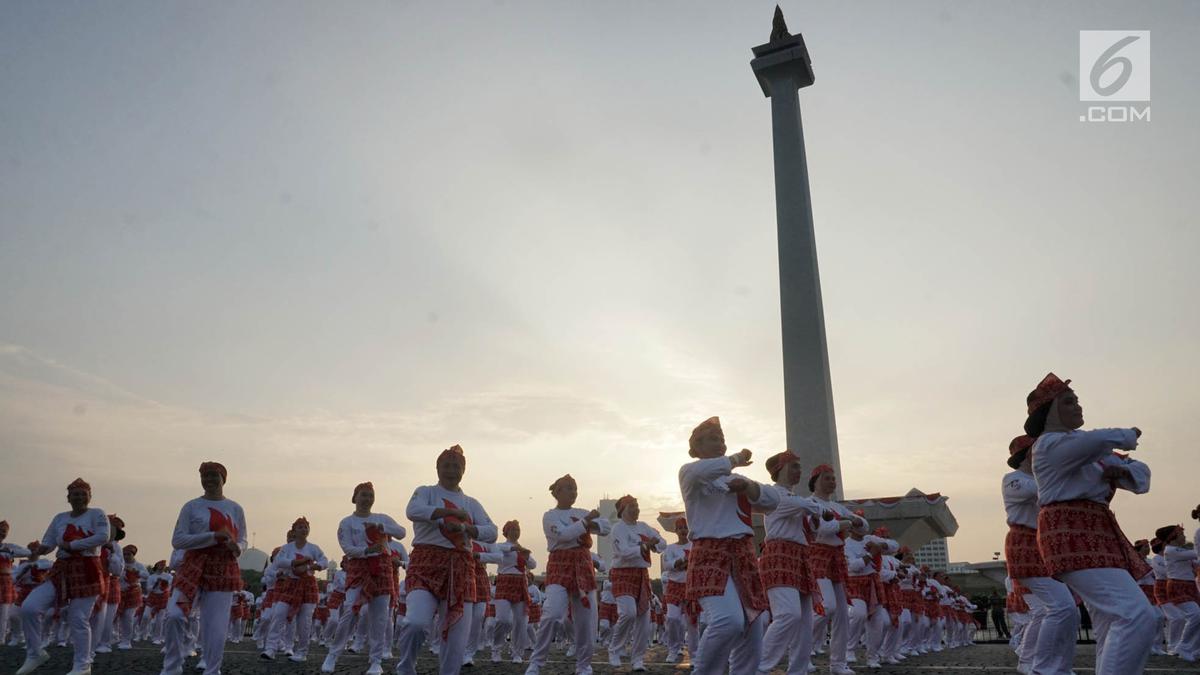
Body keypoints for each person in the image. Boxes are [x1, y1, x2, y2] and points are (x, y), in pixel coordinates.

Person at [1026, 373, 1157, 675]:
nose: (1078, 406)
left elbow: (1140, 474)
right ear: (1050, 412)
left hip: (1099, 530)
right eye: (1068, 402)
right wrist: (1126, 435)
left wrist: (1123, 472)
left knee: (1114, 620)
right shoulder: (1049, 444)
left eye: (1077, 400)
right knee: (1135, 615)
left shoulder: (1088, 449)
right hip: (1069, 529)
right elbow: (1099, 442)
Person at [679, 416, 780, 675]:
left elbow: (771, 501)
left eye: (722, 439)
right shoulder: (691, 473)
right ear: (696, 447)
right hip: (710, 554)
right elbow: (706, 470)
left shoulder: (737, 482)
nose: (720, 443)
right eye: (713, 439)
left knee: (753, 624)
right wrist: (735, 459)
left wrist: (746, 485)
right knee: (728, 621)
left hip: (744, 556)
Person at [395, 445, 498, 675]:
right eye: (446, 465)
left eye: (457, 466)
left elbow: (492, 531)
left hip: (461, 568)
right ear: (437, 468)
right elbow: (413, 510)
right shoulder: (425, 492)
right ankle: (405, 668)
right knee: (415, 623)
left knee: (456, 639)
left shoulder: (471, 503)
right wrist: (446, 515)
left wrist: (466, 527)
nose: (451, 470)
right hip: (425, 564)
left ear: (464, 470)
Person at [160, 462, 248, 675]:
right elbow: (178, 539)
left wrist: (237, 547)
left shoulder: (235, 508)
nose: (209, 480)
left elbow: (243, 539)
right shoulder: (191, 506)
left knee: (215, 627)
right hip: (193, 568)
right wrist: (211, 537)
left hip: (223, 569)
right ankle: (172, 667)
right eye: (205, 476)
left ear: (223, 479)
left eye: (214, 475)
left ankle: (212, 670)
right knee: (175, 614)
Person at [1001, 433, 1077, 675]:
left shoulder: (1041, 478)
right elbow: (1041, 491)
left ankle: (1029, 662)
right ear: (1028, 455)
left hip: (1043, 544)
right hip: (1024, 543)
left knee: (1049, 610)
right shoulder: (1013, 479)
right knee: (1061, 608)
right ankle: (1044, 667)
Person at [16, 479, 109, 675]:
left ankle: (83, 665)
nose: (79, 497)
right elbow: (49, 542)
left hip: (87, 568)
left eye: (84, 493)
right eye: (75, 494)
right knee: (29, 608)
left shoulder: (97, 514)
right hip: (62, 568)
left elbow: (103, 537)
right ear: (68, 498)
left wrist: (72, 545)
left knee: (78, 618)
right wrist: (39, 550)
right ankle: (34, 653)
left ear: (90, 496)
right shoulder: (60, 518)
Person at [525, 474, 611, 675]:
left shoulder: (580, 512)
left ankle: (584, 665)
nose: (574, 491)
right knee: (553, 614)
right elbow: (563, 535)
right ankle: (536, 662)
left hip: (583, 565)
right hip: (559, 565)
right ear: (557, 492)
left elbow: (606, 527)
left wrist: (586, 522)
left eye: (575, 488)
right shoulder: (550, 516)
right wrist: (586, 522)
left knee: (586, 620)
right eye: (569, 488)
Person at [321, 482, 407, 675]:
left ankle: (376, 661)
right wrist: (367, 550)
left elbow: (402, 532)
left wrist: (382, 527)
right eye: (363, 495)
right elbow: (347, 549)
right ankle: (333, 654)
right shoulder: (346, 522)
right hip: (359, 568)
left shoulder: (381, 518)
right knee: (350, 611)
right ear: (355, 498)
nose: (367, 499)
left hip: (382, 569)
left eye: (370, 495)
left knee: (380, 616)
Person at [756, 450, 824, 675]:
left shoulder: (794, 500)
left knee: (804, 621)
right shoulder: (776, 495)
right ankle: (759, 667)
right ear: (779, 470)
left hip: (800, 556)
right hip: (779, 555)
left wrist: (815, 520)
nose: (799, 470)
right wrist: (823, 513)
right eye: (793, 466)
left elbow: (815, 526)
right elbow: (816, 508)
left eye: (799, 466)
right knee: (789, 614)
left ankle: (798, 670)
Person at [807, 463, 862, 675]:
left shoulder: (839, 508)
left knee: (841, 613)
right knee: (827, 606)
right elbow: (819, 528)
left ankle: (838, 663)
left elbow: (863, 526)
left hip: (837, 559)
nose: (831, 481)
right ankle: (801, 646)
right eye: (827, 478)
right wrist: (845, 524)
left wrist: (850, 521)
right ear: (816, 480)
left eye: (833, 478)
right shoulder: (810, 503)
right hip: (818, 557)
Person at [606, 495, 667, 671]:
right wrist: (645, 546)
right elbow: (624, 552)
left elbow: (662, 543)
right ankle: (614, 649)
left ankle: (638, 660)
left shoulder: (644, 527)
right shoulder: (618, 529)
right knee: (628, 613)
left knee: (644, 619)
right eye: (632, 505)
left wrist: (655, 545)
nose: (636, 509)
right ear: (623, 509)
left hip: (642, 574)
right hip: (623, 574)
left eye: (637, 505)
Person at [263, 516, 327, 662]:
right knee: (279, 613)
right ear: (294, 531)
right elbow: (279, 561)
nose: (303, 529)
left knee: (304, 620)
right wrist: (296, 562)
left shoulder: (313, 548)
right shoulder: (286, 548)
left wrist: (316, 566)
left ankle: (302, 652)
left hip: (308, 584)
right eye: (300, 527)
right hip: (290, 584)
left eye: (306, 527)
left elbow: (324, 560)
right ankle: (271, 648)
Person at [492, 520, 537, 663]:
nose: (516, 532)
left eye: (518, 530)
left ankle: (517, 652)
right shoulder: (501, 546)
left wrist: (525, 554)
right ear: (506, 532)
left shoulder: (521, 549)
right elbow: (497, 550)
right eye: (513, 530)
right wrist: (514, 549)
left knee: (521, 622)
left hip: (520, 584)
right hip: (504, 583)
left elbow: (533, 565)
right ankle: (496, 649)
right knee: (502, 619)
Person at [1160, 524, 1200, 661]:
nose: (1184, 536)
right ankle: (1183, 646)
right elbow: (1196, 554)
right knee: (1195, 615)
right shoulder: (1171, 550)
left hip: (1189, 585)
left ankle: (1194, 649)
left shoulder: (1178, 550)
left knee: (1198, 617)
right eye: (1182, 534)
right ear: (1174, 537)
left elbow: (1197, 560)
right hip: (1178, 586)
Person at [661, 517, 697, 664]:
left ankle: (694, 655)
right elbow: (667, 565)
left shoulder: (695, 546)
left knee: (692, 622)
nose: (683, 530)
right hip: (674, 586)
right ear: (675, 531)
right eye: (680, 528)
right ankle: (673, 650)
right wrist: (680, 562)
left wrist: (684, 564)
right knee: (672, 618)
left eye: (685, 527)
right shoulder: (670, 548)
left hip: (692, 586)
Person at [0, 520, 31, 647]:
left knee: (4, 612)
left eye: (4, 532)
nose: (2, 534)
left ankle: (1, 639)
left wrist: (11, 552)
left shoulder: (8, 547)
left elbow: (27, 552)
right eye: (0, 531)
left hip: (5, 581)